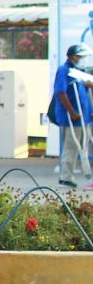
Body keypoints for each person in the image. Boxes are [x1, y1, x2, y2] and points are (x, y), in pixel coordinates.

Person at [48, 44, 93, 188]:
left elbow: (81, 86)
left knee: (83, 146)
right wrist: (72, 112)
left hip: (84, 117)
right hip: (72, 117)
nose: (84, 60)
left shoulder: (76, 71)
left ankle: (85, 174)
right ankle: (65, 177)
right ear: (74, 56)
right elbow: (61, 92)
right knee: (71, 146)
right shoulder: (64, 70)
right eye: (82, 57)